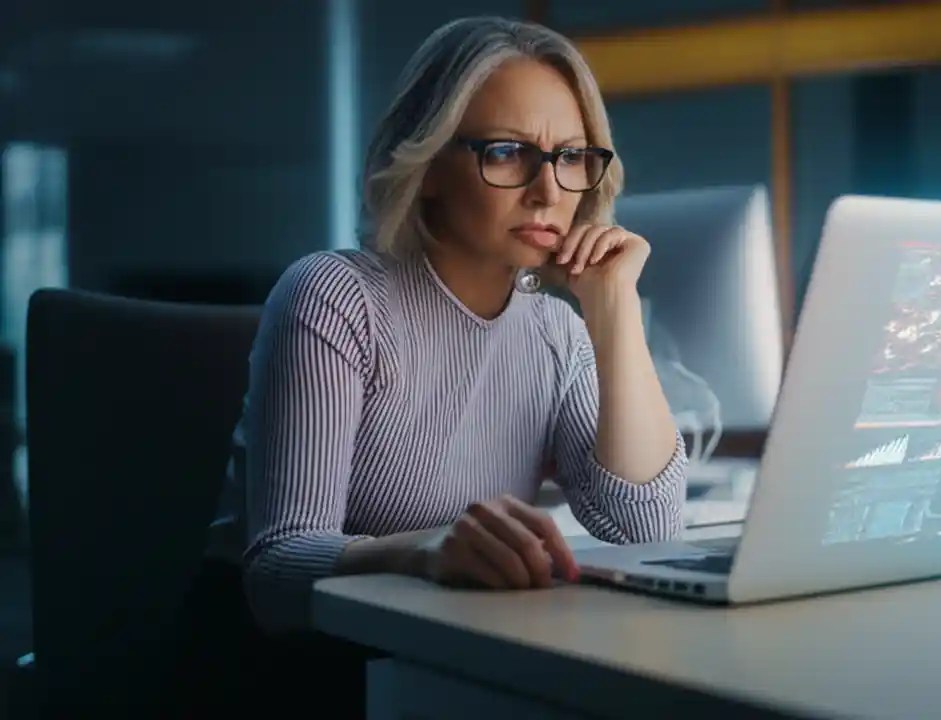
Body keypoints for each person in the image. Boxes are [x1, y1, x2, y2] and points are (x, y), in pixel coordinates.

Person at [181, 15, 689, 715]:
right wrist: (417, 551)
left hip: (438, 656)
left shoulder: (555, 332)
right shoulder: (335, 295)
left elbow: (648, 532)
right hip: (286, 672)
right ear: (426, 169)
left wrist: (615, 313)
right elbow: (274, 576)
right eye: (509, 152)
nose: (548, 190)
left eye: (571, 156)